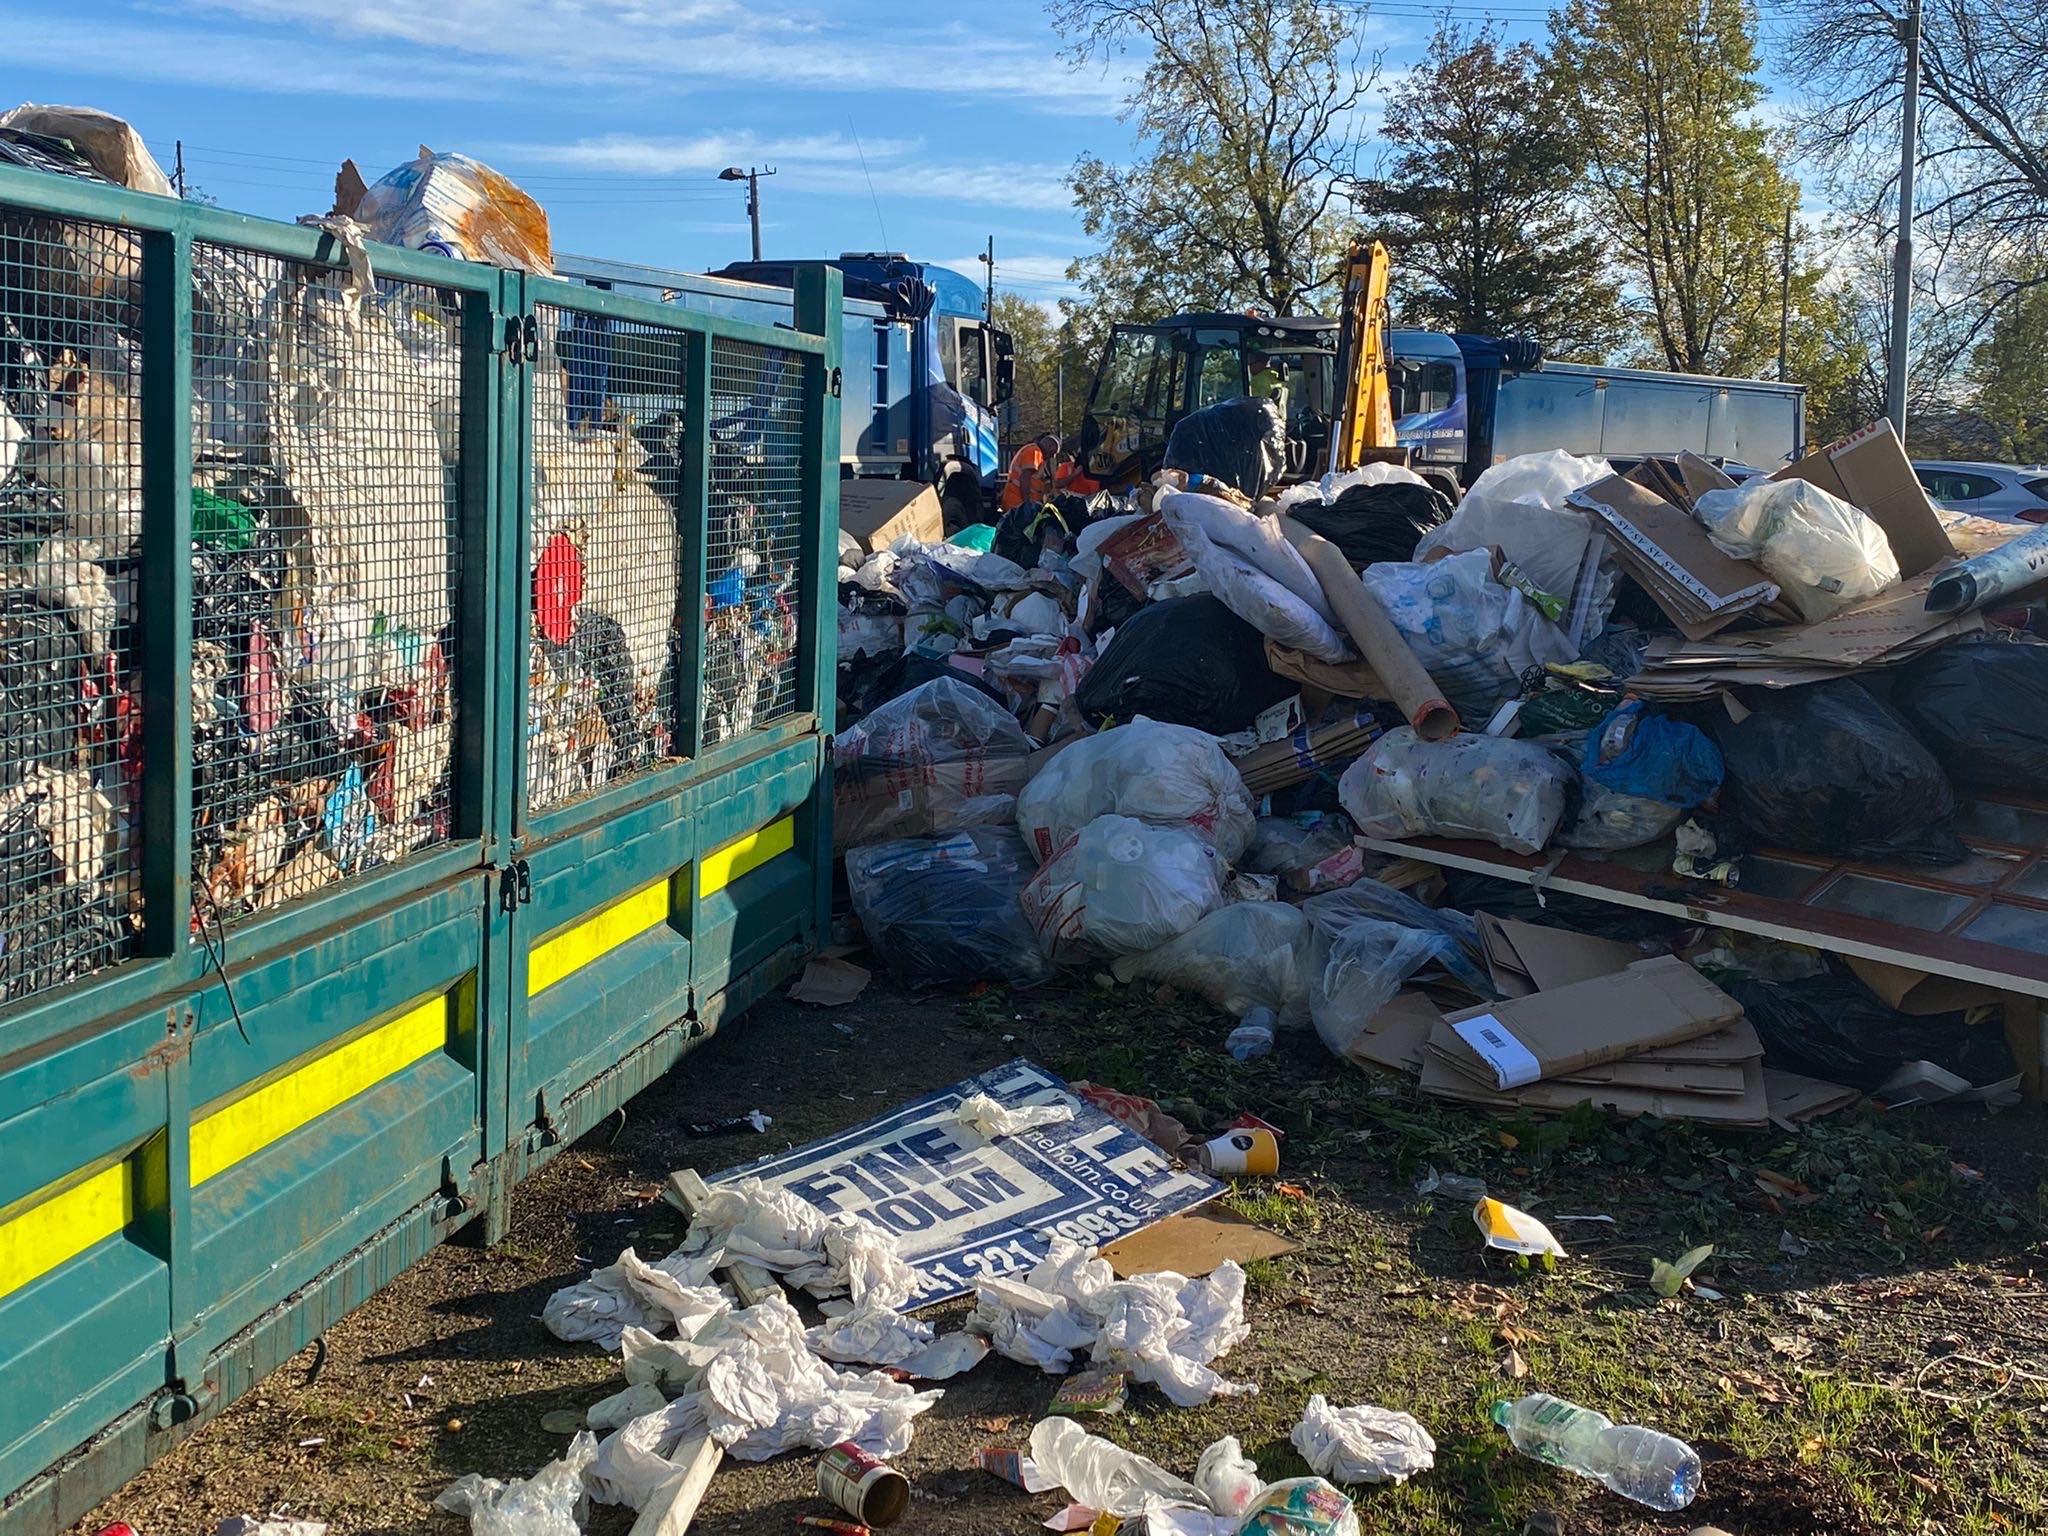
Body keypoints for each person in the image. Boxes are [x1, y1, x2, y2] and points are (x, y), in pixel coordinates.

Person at [1001, 432, 1065, 511]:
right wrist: (1027, 503)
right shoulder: (1034, 451)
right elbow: (1025, 477)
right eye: (1054, 452)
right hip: (1018, 504)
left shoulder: (1035, 452)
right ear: (1049, 445)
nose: (1052, 456)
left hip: (1017, 503)